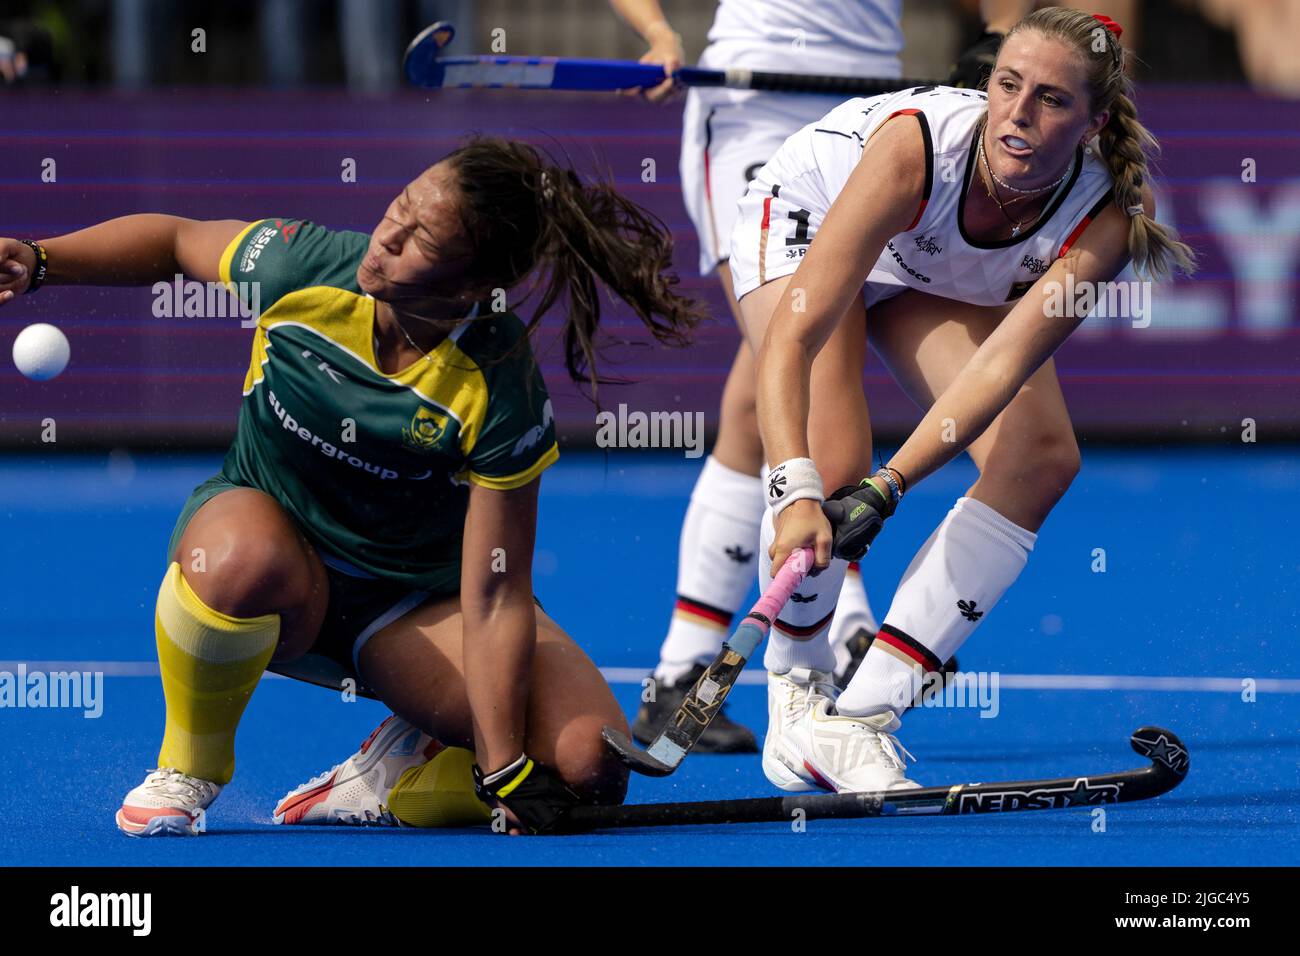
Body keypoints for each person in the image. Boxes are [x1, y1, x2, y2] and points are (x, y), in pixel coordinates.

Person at [0, 136, 704, 836]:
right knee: (240, 558)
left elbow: (494, 592)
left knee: (587, 770)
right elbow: (178, 240)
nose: (387, 235)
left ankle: (396, 779)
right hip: (270, 555)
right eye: (399, 207)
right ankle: (190, 765)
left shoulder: (496, 379)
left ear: (468, 284)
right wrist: (40, 261)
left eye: (421, 236)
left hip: (408, 608)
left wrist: (502, 768)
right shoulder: (301, 266)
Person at [734, 7, 1195, 793]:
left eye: (1051, 99)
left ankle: (857, 721)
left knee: (1037, 457)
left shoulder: (1106, 219)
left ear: (1094, 122)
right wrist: (794, 491)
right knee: (833, 462)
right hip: (819, 210)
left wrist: (893, 485)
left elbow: (996, 372)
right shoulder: (914, 149)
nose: (1017, 113)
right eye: (1007, 85)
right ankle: (796, 704)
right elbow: (790, 344)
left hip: (928, 264)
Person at [614, 0, 1037, 754]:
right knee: (815, 406)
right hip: (754, 114)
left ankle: (682, 669)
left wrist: (1002, 34)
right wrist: (656, 33)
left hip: (873, 118)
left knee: (761, 395)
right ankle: (839, 634)